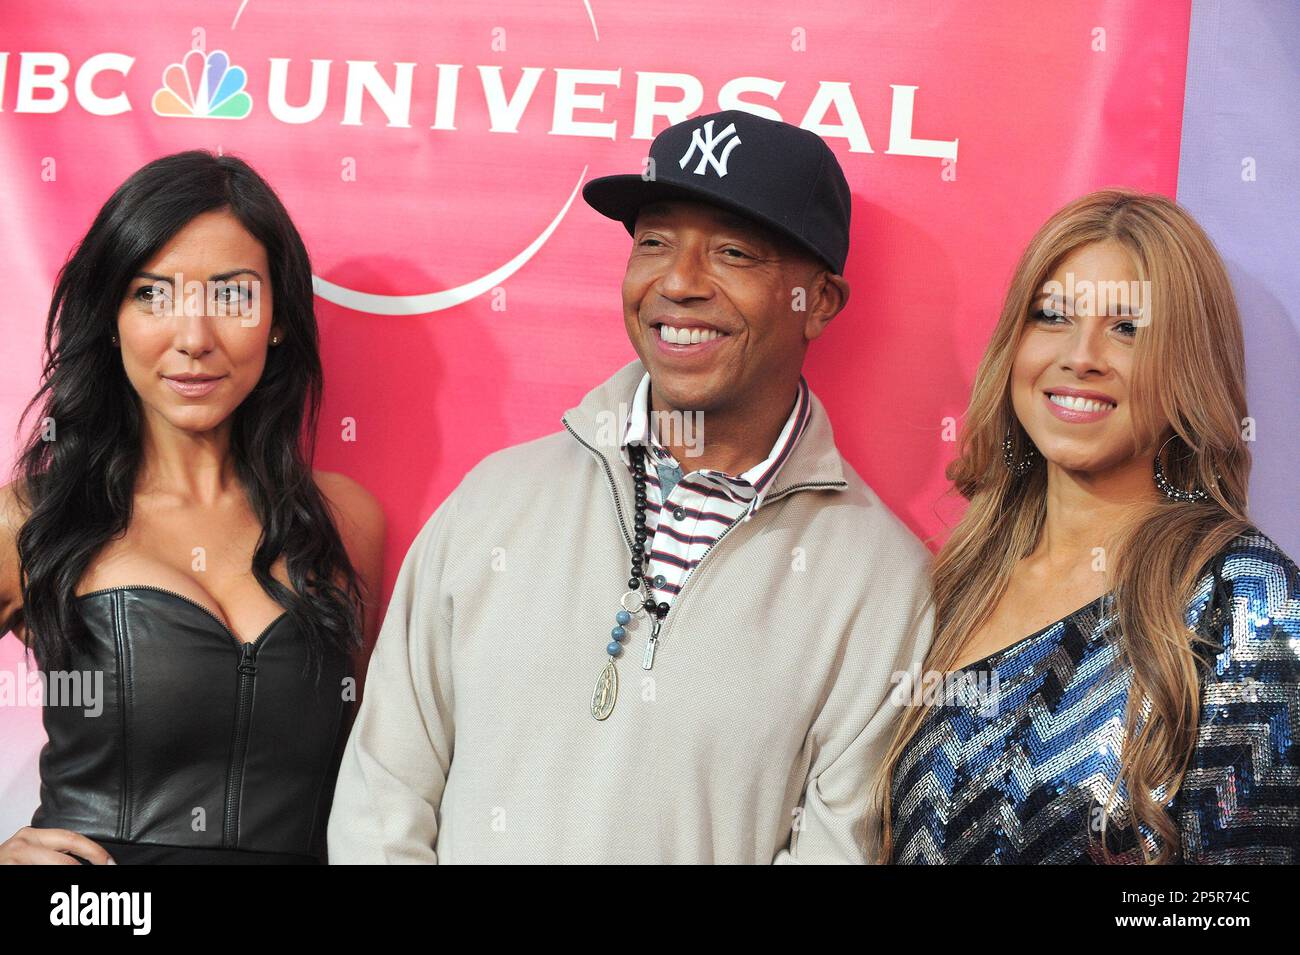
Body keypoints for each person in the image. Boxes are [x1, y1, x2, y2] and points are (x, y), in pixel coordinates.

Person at [327, 110, 934, 864]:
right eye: (653, 241)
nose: (677, 283)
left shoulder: (883, 582)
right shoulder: (496, 500)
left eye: (734, 252)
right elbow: (383, 794)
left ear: (822, 302)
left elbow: (837, 852)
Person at [876, 189, 1300, 864]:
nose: (1081, 356)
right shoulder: (955, 578)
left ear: (1186, 366)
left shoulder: (1244, 597)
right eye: (1051, 317)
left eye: (1128, 328)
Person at [0, 150, 385, 864]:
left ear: (276, 319)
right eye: (152, 294)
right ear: (109, 315)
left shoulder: (347, 520)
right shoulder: (29, 519)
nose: (194, 338)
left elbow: (374, 775)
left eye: (233, 296)